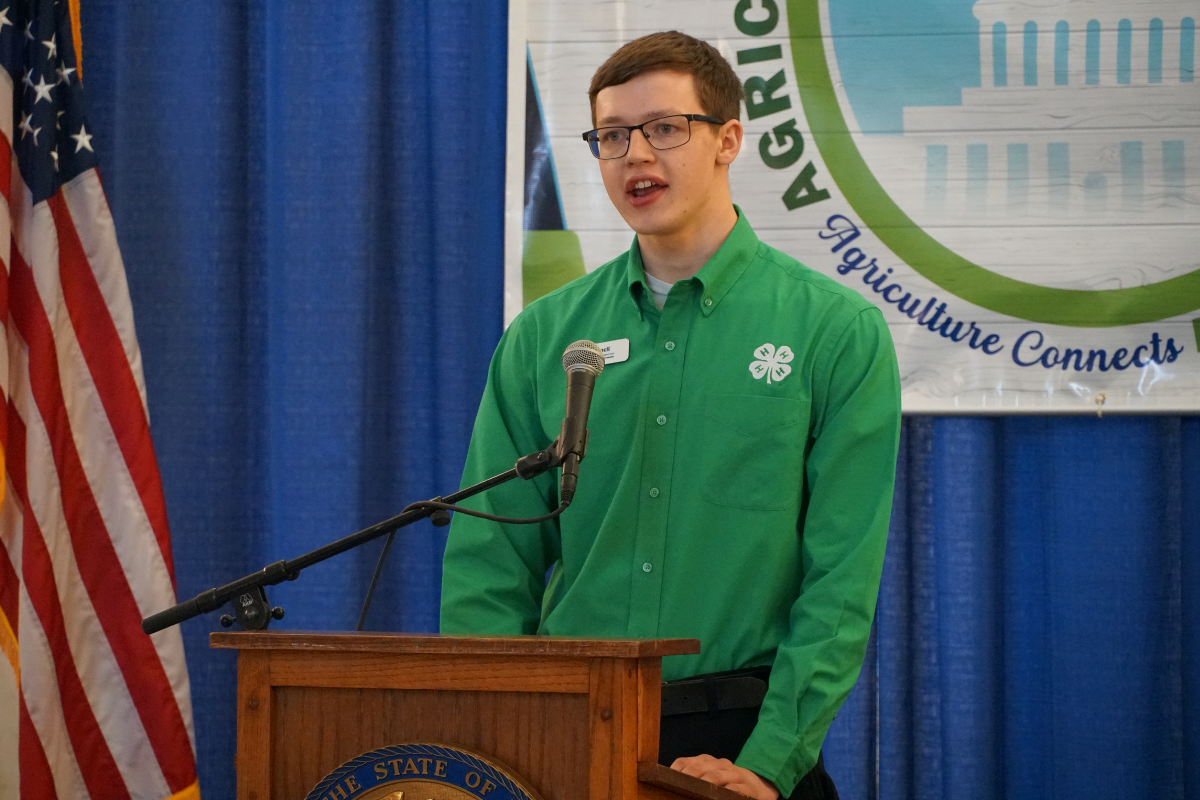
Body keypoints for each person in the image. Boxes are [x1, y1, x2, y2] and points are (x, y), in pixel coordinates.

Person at [441, 31, 900, 800]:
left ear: (728, 140)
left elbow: (840, 580)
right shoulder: (547, 339)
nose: (634, 156)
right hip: (563, 733)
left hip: (741, 741)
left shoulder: (833, 331)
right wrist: (495, 736)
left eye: (664, 128)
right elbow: (490, 563)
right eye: (612, 135)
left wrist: (767, 762)